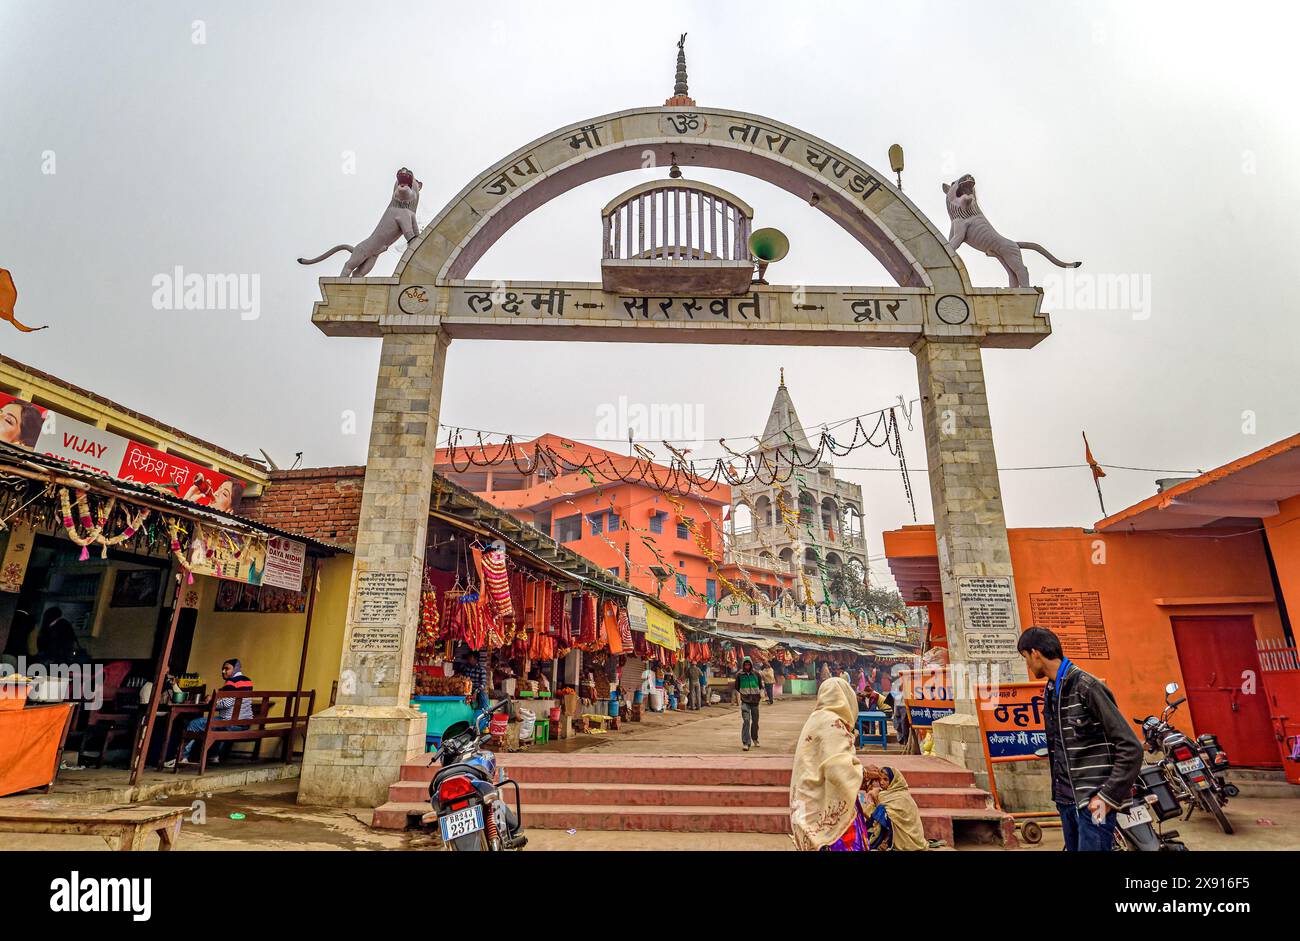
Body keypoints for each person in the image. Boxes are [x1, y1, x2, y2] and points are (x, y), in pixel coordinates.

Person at [1017, 626, 1142, 851]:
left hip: (1096, 802)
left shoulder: (1088, 686)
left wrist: (1107, 797)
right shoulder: (1051, 690)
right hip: (1066, 800)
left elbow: (1131, 746)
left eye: (1026, 657)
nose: (1027, 664)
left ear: (1035, 653)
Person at [165, 658, 253, 767]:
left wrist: (212, 701)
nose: (223, 671)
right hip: (245, 723)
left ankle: (182, 757)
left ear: (235, 669)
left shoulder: (231, 682)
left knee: (194, 724)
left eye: (227, 669)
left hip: (231, 723)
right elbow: (232, 698)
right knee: (209, 725)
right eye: (222, 669)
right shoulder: (247, 681)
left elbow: (227, 703)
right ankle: (213, 756)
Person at [735, 657, 763, 750]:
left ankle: (755, 738)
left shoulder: (756, 674)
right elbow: (737, 687)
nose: (747, 666)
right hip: (745, 701)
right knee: (746, 721)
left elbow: (761, 686)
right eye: (745, 665)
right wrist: (741, 697)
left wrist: (761, 694)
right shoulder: (739, 675)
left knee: (755, 721)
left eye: (748, 664)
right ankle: (746, 743)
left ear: (751, 664)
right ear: (743, 665)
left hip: (755, 701)